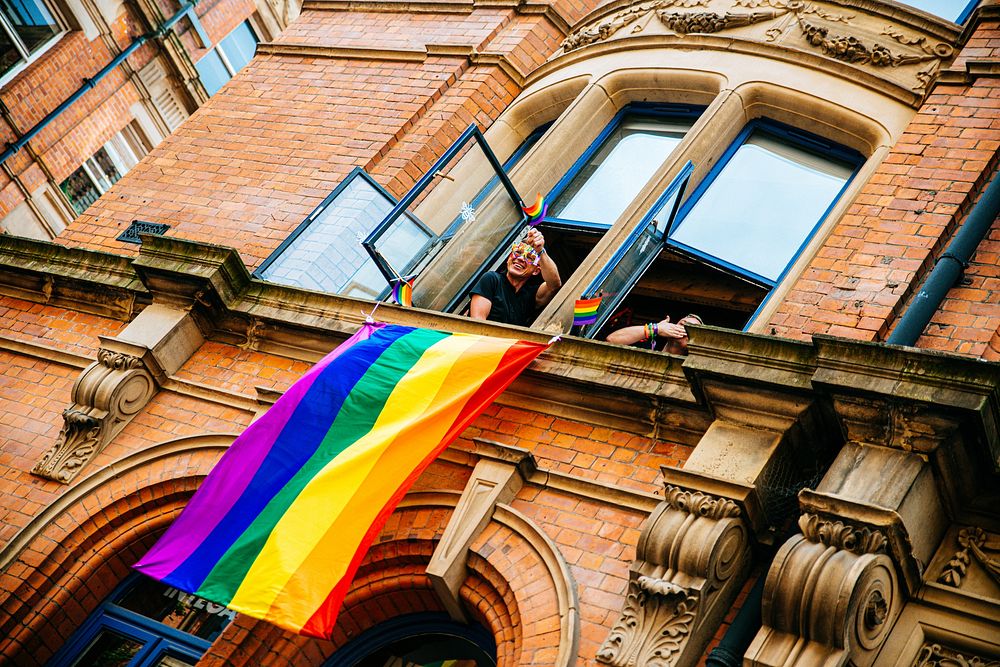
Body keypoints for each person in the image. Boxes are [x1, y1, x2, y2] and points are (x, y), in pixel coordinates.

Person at [469, 228, 561, 326]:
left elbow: (554, 285)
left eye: (529, 257)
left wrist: (540, 251)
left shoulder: (531, 295)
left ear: (536, 271)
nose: (521, 258)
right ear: (509, 258)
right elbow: (477, 323)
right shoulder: (492, 279)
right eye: (518, 252)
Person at [606, 313, 703, 355]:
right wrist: (656, 328)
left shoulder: (687, 364)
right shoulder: (649, 343)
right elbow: (611, 340)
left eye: (689, 328)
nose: (682, 329)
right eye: (681, 324)